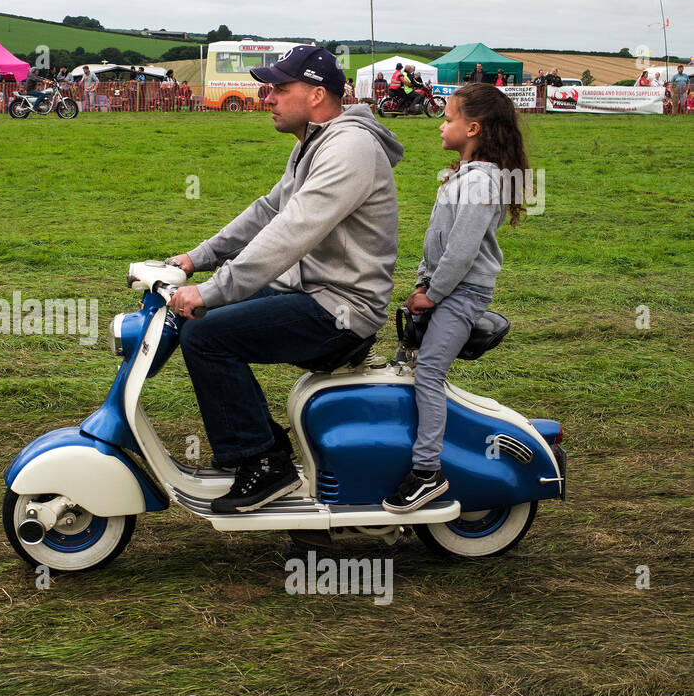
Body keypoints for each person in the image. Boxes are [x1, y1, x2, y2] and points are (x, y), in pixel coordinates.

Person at [164, 45, 403, 513]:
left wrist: (212, 291)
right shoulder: (314, 143)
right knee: (198, 326)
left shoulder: (348, 147)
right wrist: (197, 259)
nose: (266, 97)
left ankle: (264, 462)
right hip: (312, 290)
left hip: (341, 307)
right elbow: (269, 211)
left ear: (317, 95)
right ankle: (257, 450)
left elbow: (291, 233)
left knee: (207, 336)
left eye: (279, 87)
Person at [383, 83, 526, 513]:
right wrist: (426, 285)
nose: (441, 125)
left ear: (474, 128)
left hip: (462, 295)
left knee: (428, 373)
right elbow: (442, 241)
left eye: (448, 118)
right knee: (409, 367)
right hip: (444, 288)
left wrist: (436, 292)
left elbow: (463, 250)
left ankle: (428, 473)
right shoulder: (462, 175)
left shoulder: (482, 181)